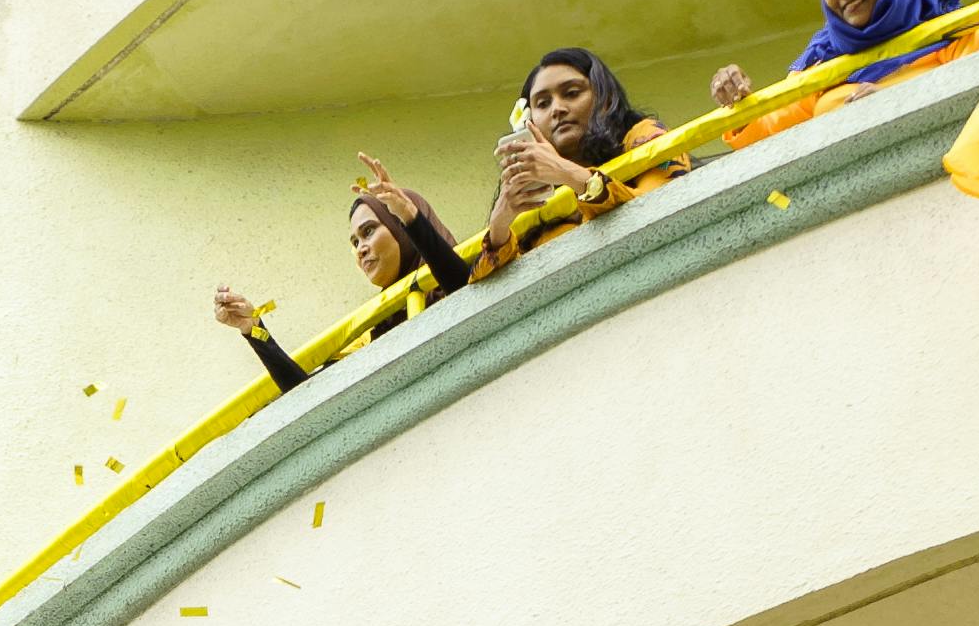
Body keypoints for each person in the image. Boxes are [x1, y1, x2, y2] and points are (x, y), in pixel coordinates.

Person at [212, 157, 479, 393]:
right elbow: (308, 395)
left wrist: (410, 216)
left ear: (401, 229)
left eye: (369, 231)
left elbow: (466, 298)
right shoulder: (374, 328)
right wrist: (254, 330)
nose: (361, 250)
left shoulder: (476, 269)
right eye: (355, 242)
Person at [705, 0, 979, 141]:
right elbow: (767, 131)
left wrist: (903, 102)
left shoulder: (954, 28)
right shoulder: (821, 60)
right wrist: (738, 102)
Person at [480, 50, 685, 269]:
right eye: (542, 104)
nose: (557, 109)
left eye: (572, 93)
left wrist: (568, 173)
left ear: (604, 99)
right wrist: (499, 229)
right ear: (528, 122)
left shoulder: (643, 135)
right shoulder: (531, 198)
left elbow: (663, 209)